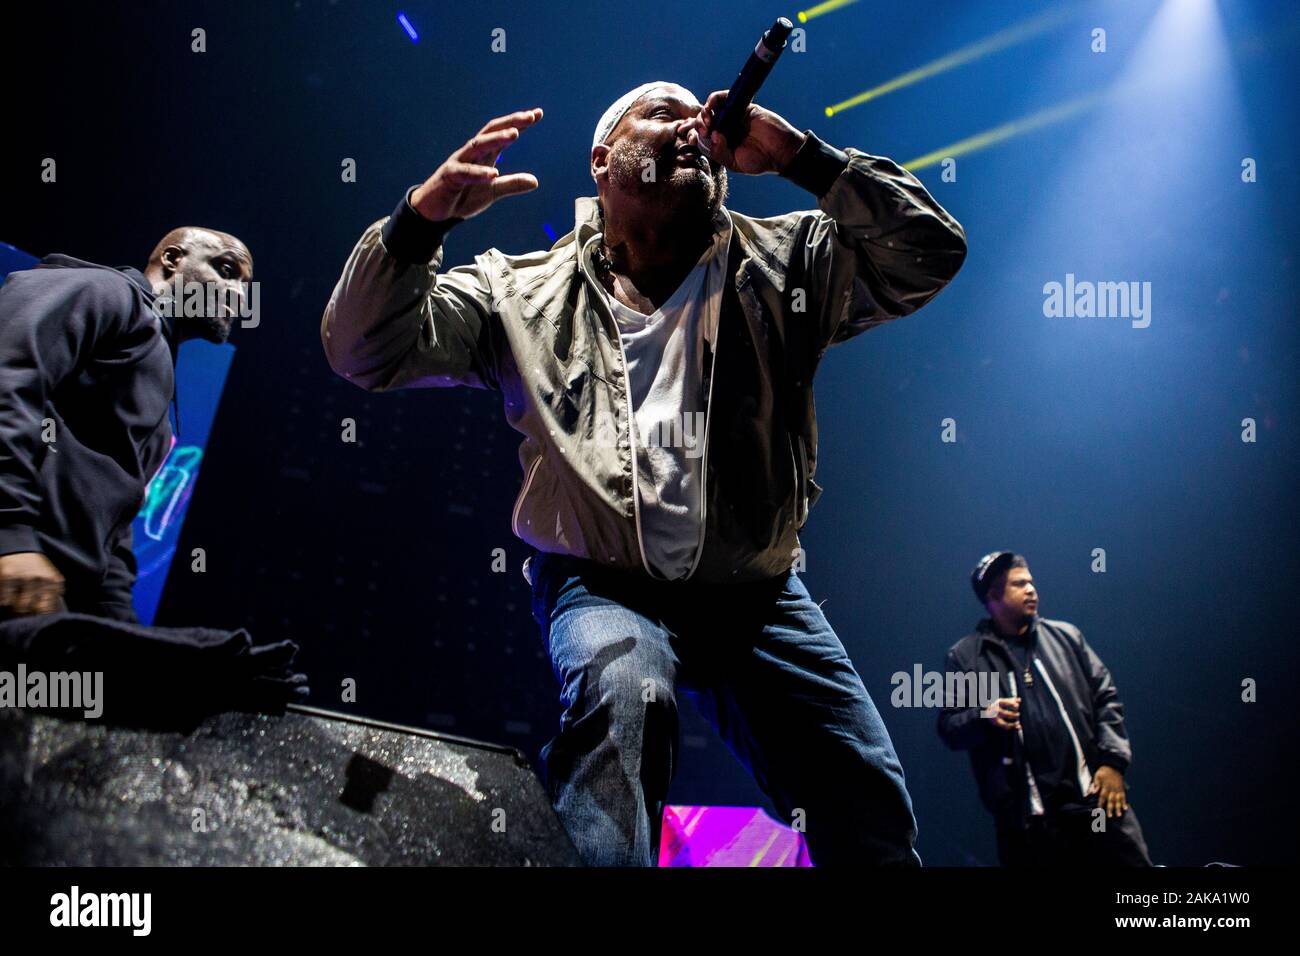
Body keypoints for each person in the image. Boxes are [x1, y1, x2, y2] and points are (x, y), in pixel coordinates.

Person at [322, 81, 967, 865]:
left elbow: (930, 250)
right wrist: (416, 223)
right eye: (662, 113)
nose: (692, 124)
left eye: (698, 114)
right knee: (627, 702)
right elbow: (362, 349)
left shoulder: (787, 259)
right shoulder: (522, 290)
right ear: (603, 160)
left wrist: (800, 156)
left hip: (755, 592)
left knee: (860, 782)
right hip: (601, 582)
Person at [0, 228, 253, 622]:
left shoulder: (162, 394)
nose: (239, 296)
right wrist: (11, 538)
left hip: (52, 600)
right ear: (172, 260)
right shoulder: (105, 292)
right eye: (226, 270)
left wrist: (118, 621)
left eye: (245, 285)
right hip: (16, 569)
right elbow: (7, 382)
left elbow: (116, 522)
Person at [937, 551, 1153, 865]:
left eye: (1031, 582)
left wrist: (1113, 764)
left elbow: (1106, 698)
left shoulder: (1066, 637)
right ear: (993, 596)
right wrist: (985, 716)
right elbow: (949, 728)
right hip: (1029, 824)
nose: (1031, 590)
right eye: (1019, 584)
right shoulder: (967, 657)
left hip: (1098, 803)